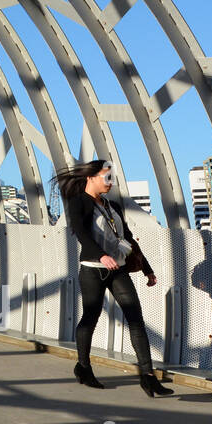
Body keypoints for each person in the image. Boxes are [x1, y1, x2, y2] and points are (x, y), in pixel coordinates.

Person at [54, 159, 172, 397]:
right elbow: (81, 233)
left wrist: (147, 268)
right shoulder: (78, 203)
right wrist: (101, 255)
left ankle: (148, 377)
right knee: (91, 318)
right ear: (91, 177)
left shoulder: (113, 206)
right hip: (92, 269)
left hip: (117, 270)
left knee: (136, 319)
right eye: (106, 177)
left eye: (111, 178)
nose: (110, 183)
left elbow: (127, 237)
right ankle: (83, 367)